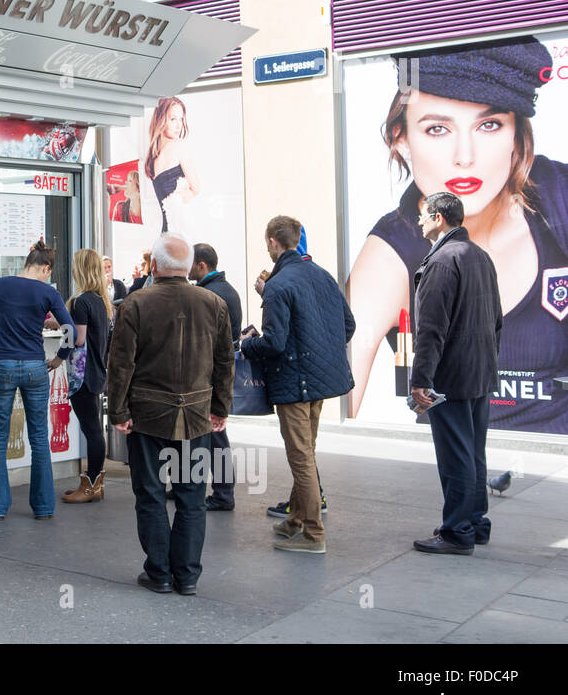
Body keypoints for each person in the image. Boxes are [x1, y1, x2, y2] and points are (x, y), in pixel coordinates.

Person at [346, 36, 567, 434]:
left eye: (489, 125)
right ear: (402, 139)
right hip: (458, 475)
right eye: (436, 129)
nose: (465, 156)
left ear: (515, 138)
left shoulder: (559, 199)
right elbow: (333, 407)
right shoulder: (391, 254)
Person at [107, 233, 234, 595]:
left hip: (146, 415)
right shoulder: (213, 303)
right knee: (192, 496)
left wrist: (118, 411)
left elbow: (121, 365)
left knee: (149, 494)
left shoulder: (135, 303)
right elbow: (225, 361)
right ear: (188, 266)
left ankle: (159, 573)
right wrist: (220, 408)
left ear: (154, 266)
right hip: (196, 416)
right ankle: (188, 576)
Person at [241, 216, 355, 554]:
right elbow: (348, 325)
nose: (267, 249)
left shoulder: (278, 284)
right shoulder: (322, 275)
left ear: (274, 242)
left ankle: (313, 534)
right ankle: (296, 520)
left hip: (295, 381)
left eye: (267, 243)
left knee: (300, 456)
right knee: (306, 452)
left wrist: (246, 345)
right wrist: (320, 350)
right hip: (319, 381)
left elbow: (274, 343)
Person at [410, 192, 502, 555]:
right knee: (473, 452)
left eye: (423, 216)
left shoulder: (443, 261)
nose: (419, 223)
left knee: (456, 456)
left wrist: (420, 380)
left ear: (438, 218)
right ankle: (475, 524)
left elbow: (431, 329)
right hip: (479, 373)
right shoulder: (481, 257)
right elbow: (497, 321)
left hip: (451, 377)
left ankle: (457, 531)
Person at [0, 240, 74, 521]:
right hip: (36, 367)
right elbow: (69, 328)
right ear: (45, 267)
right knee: (38, 438)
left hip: (3, 364)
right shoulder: (47, 292)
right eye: (49, 272)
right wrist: (60, 357)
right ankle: (43, 508)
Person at [190, 243, 242, 511]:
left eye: (190, 263)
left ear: (201, 265)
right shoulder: (226, 290)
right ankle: (191, 486)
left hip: (207, 375)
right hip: (214, 374)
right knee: (209, 434)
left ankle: (222, 494)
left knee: (214, 434)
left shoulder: (209, 295)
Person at [61, 249, 112, 504]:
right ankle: (94, 484)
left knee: (91, 430)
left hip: (82, 375)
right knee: (93, 428)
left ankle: (90, 486)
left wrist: (59, 325)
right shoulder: (100, 300)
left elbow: (78, 338)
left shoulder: (81, 301)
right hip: (96, 371)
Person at [145, 97, 200, 233]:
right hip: (181, 228)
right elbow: (196, 187)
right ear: (161, 120)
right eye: (173, 119)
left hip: (166, 231)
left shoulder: (151, 158)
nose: (179, 125)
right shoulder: (178, 145)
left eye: (181, 119)